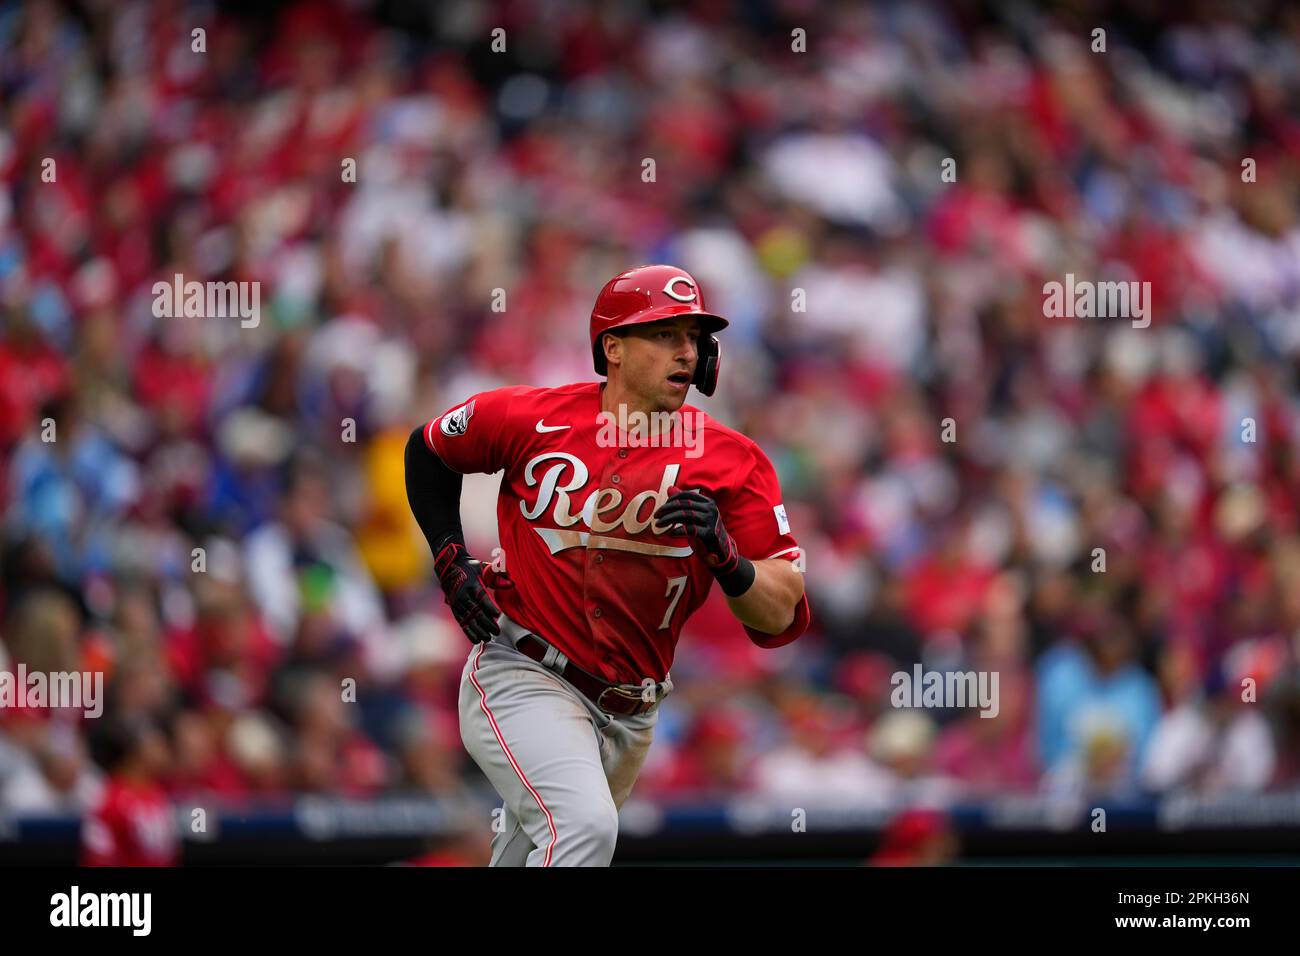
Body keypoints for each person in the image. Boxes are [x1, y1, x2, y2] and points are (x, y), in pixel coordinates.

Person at [404, 265, 809, 866]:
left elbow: (781, 616)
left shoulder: (733, 461)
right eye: (666, 334)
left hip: (633, 714)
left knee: (533, 850)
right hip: (525, 671)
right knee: (584, 829)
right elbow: (429, 448)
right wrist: (449, 556)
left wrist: (729, 559)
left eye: (694, 338)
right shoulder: (532, 417)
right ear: (612, 348)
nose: (686, 351)